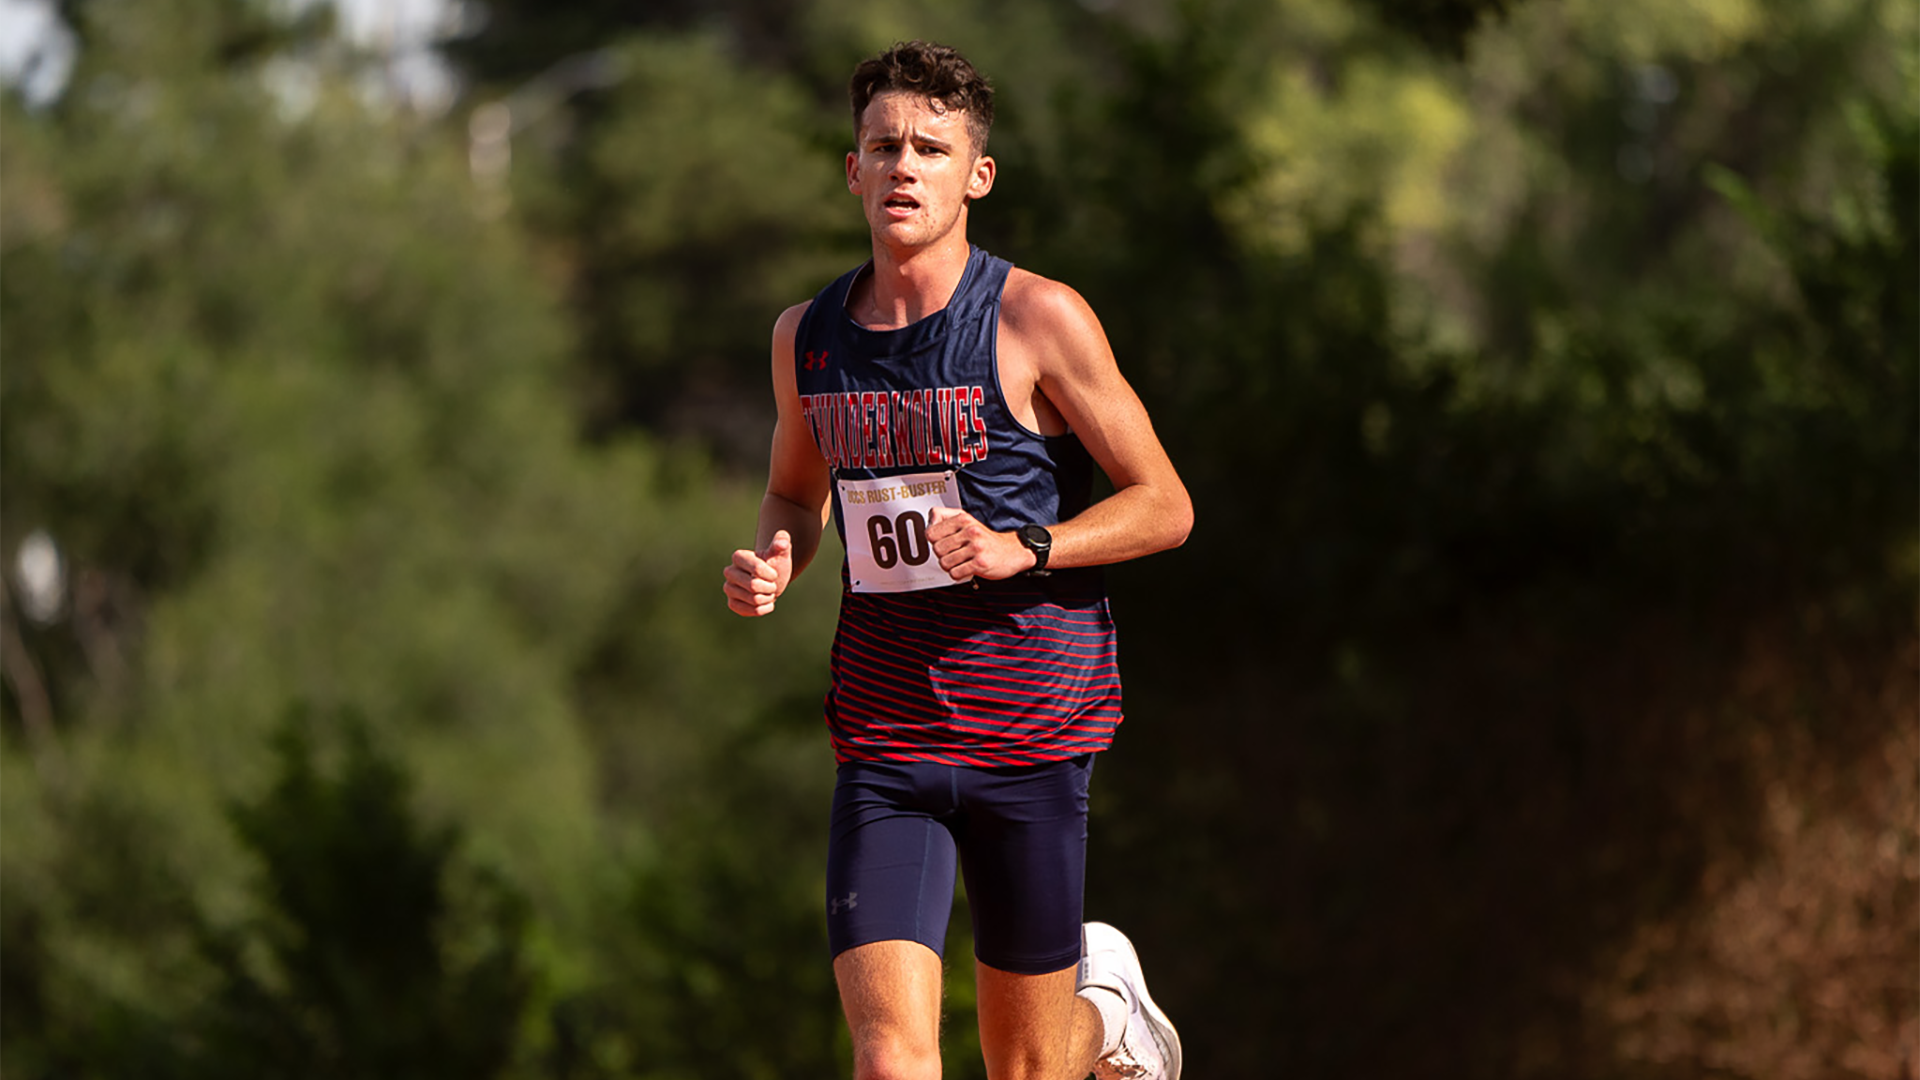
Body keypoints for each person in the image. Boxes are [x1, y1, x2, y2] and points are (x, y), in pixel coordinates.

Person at [722, 40, 1192, 1080]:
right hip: (886, 736)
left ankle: (1104, 1009)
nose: (903, 167)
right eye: (883, 146)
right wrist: (773, 562)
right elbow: (796, 495)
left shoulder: (1037, 318)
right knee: (892, 1059)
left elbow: (1166, 506)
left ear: (975, 176)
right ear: (851, 169)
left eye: (930, 149)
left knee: (1025, 1067)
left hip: (1032, 727)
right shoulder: (808, 339)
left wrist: (1026, 547)